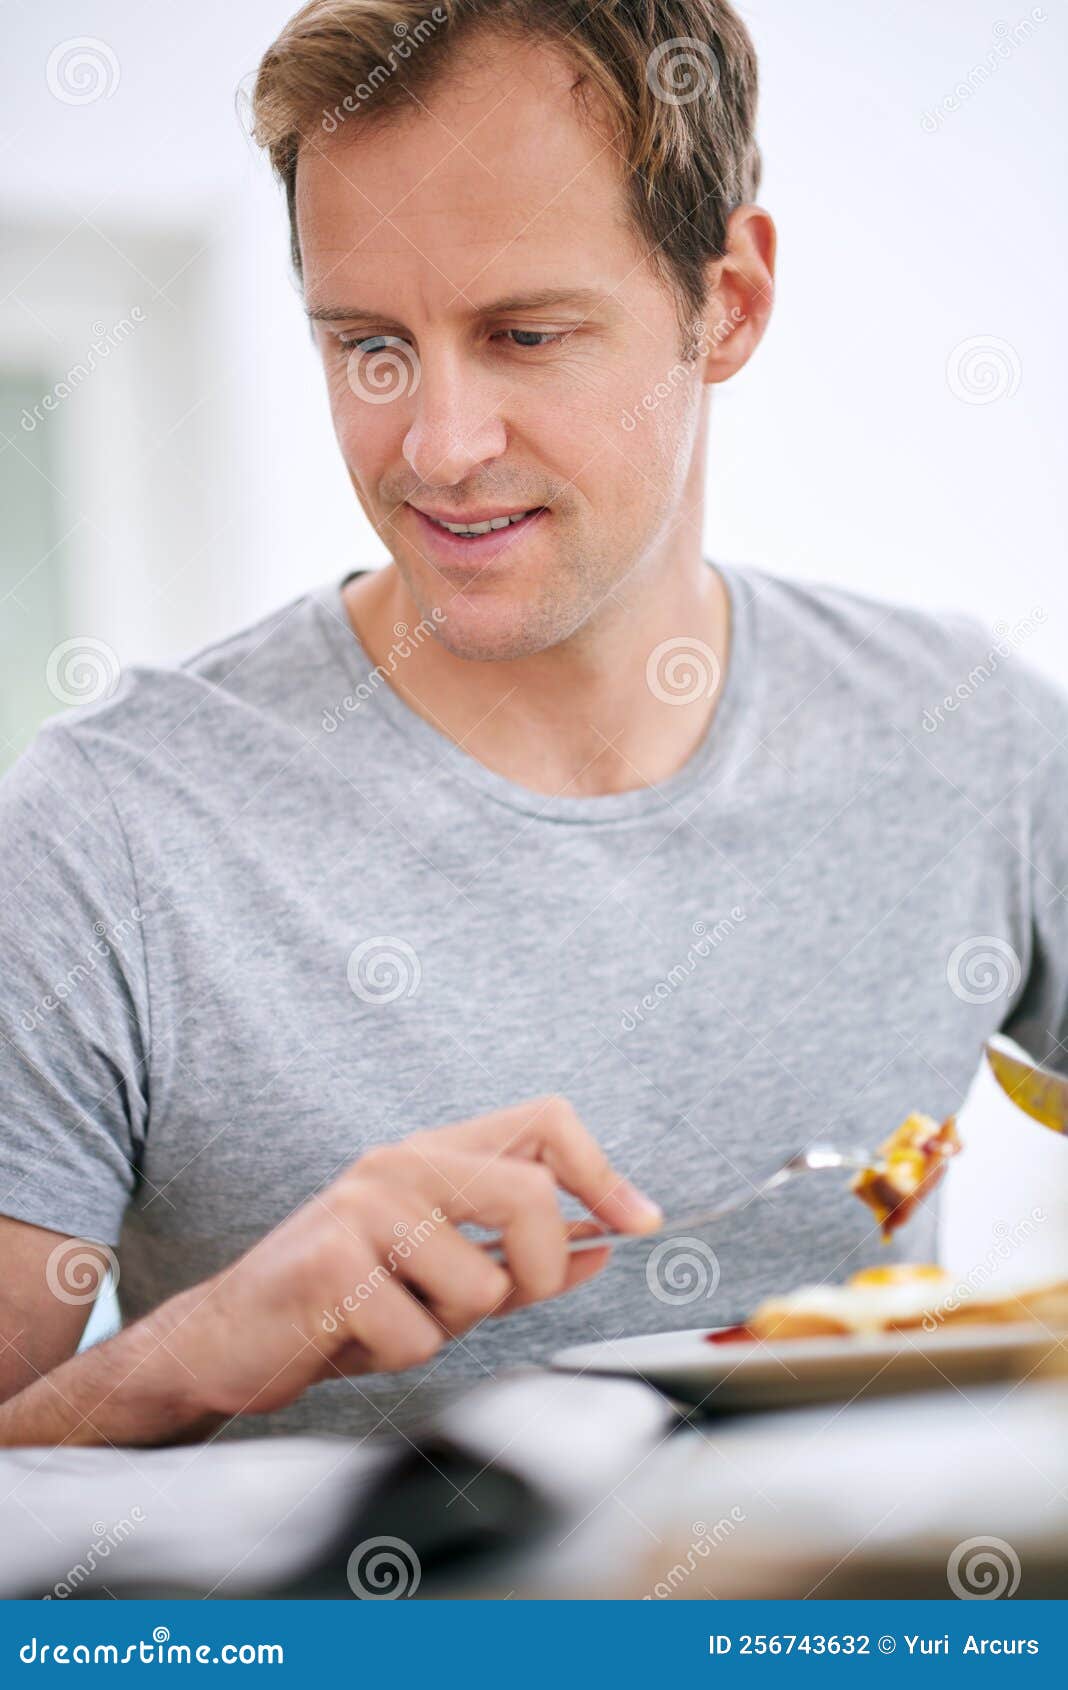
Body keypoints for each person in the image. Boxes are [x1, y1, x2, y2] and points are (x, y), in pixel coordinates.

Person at [2, 0, 1065, 1447]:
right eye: (369, 344)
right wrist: (192, 1352)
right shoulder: (106, 831)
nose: (437, 446)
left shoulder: (977, 743)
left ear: (730, 302)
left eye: (525, 333)